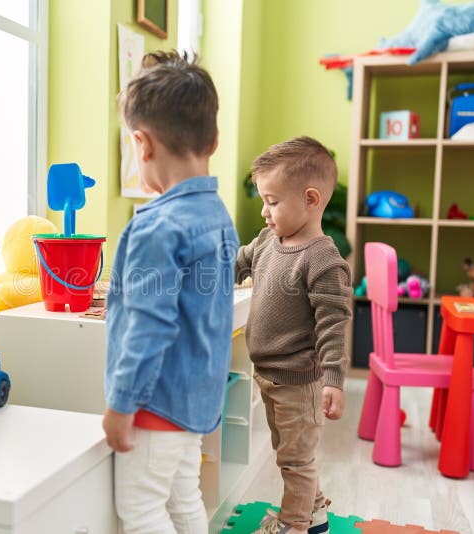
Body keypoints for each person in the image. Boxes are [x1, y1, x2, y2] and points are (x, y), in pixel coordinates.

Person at [103, 50, 239, 534]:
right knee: (184, 502)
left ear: (141, 144)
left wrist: (121, 405)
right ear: (215, 140)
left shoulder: (157, 227)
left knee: (140, 513)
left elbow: (148, 327)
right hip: (197, 403)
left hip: (155, 406)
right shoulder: (218, 216)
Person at [236, 137, 353, 534]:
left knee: (296, 460)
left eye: (272, 201)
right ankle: (314, 511)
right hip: (269, 377)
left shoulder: (322, 259)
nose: (265, 212)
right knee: (289, 452)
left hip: (300, 383)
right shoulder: (270, 239)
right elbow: (242, 260)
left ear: (310, 199)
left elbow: (333, 325)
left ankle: (294, 525)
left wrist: (334, 380)